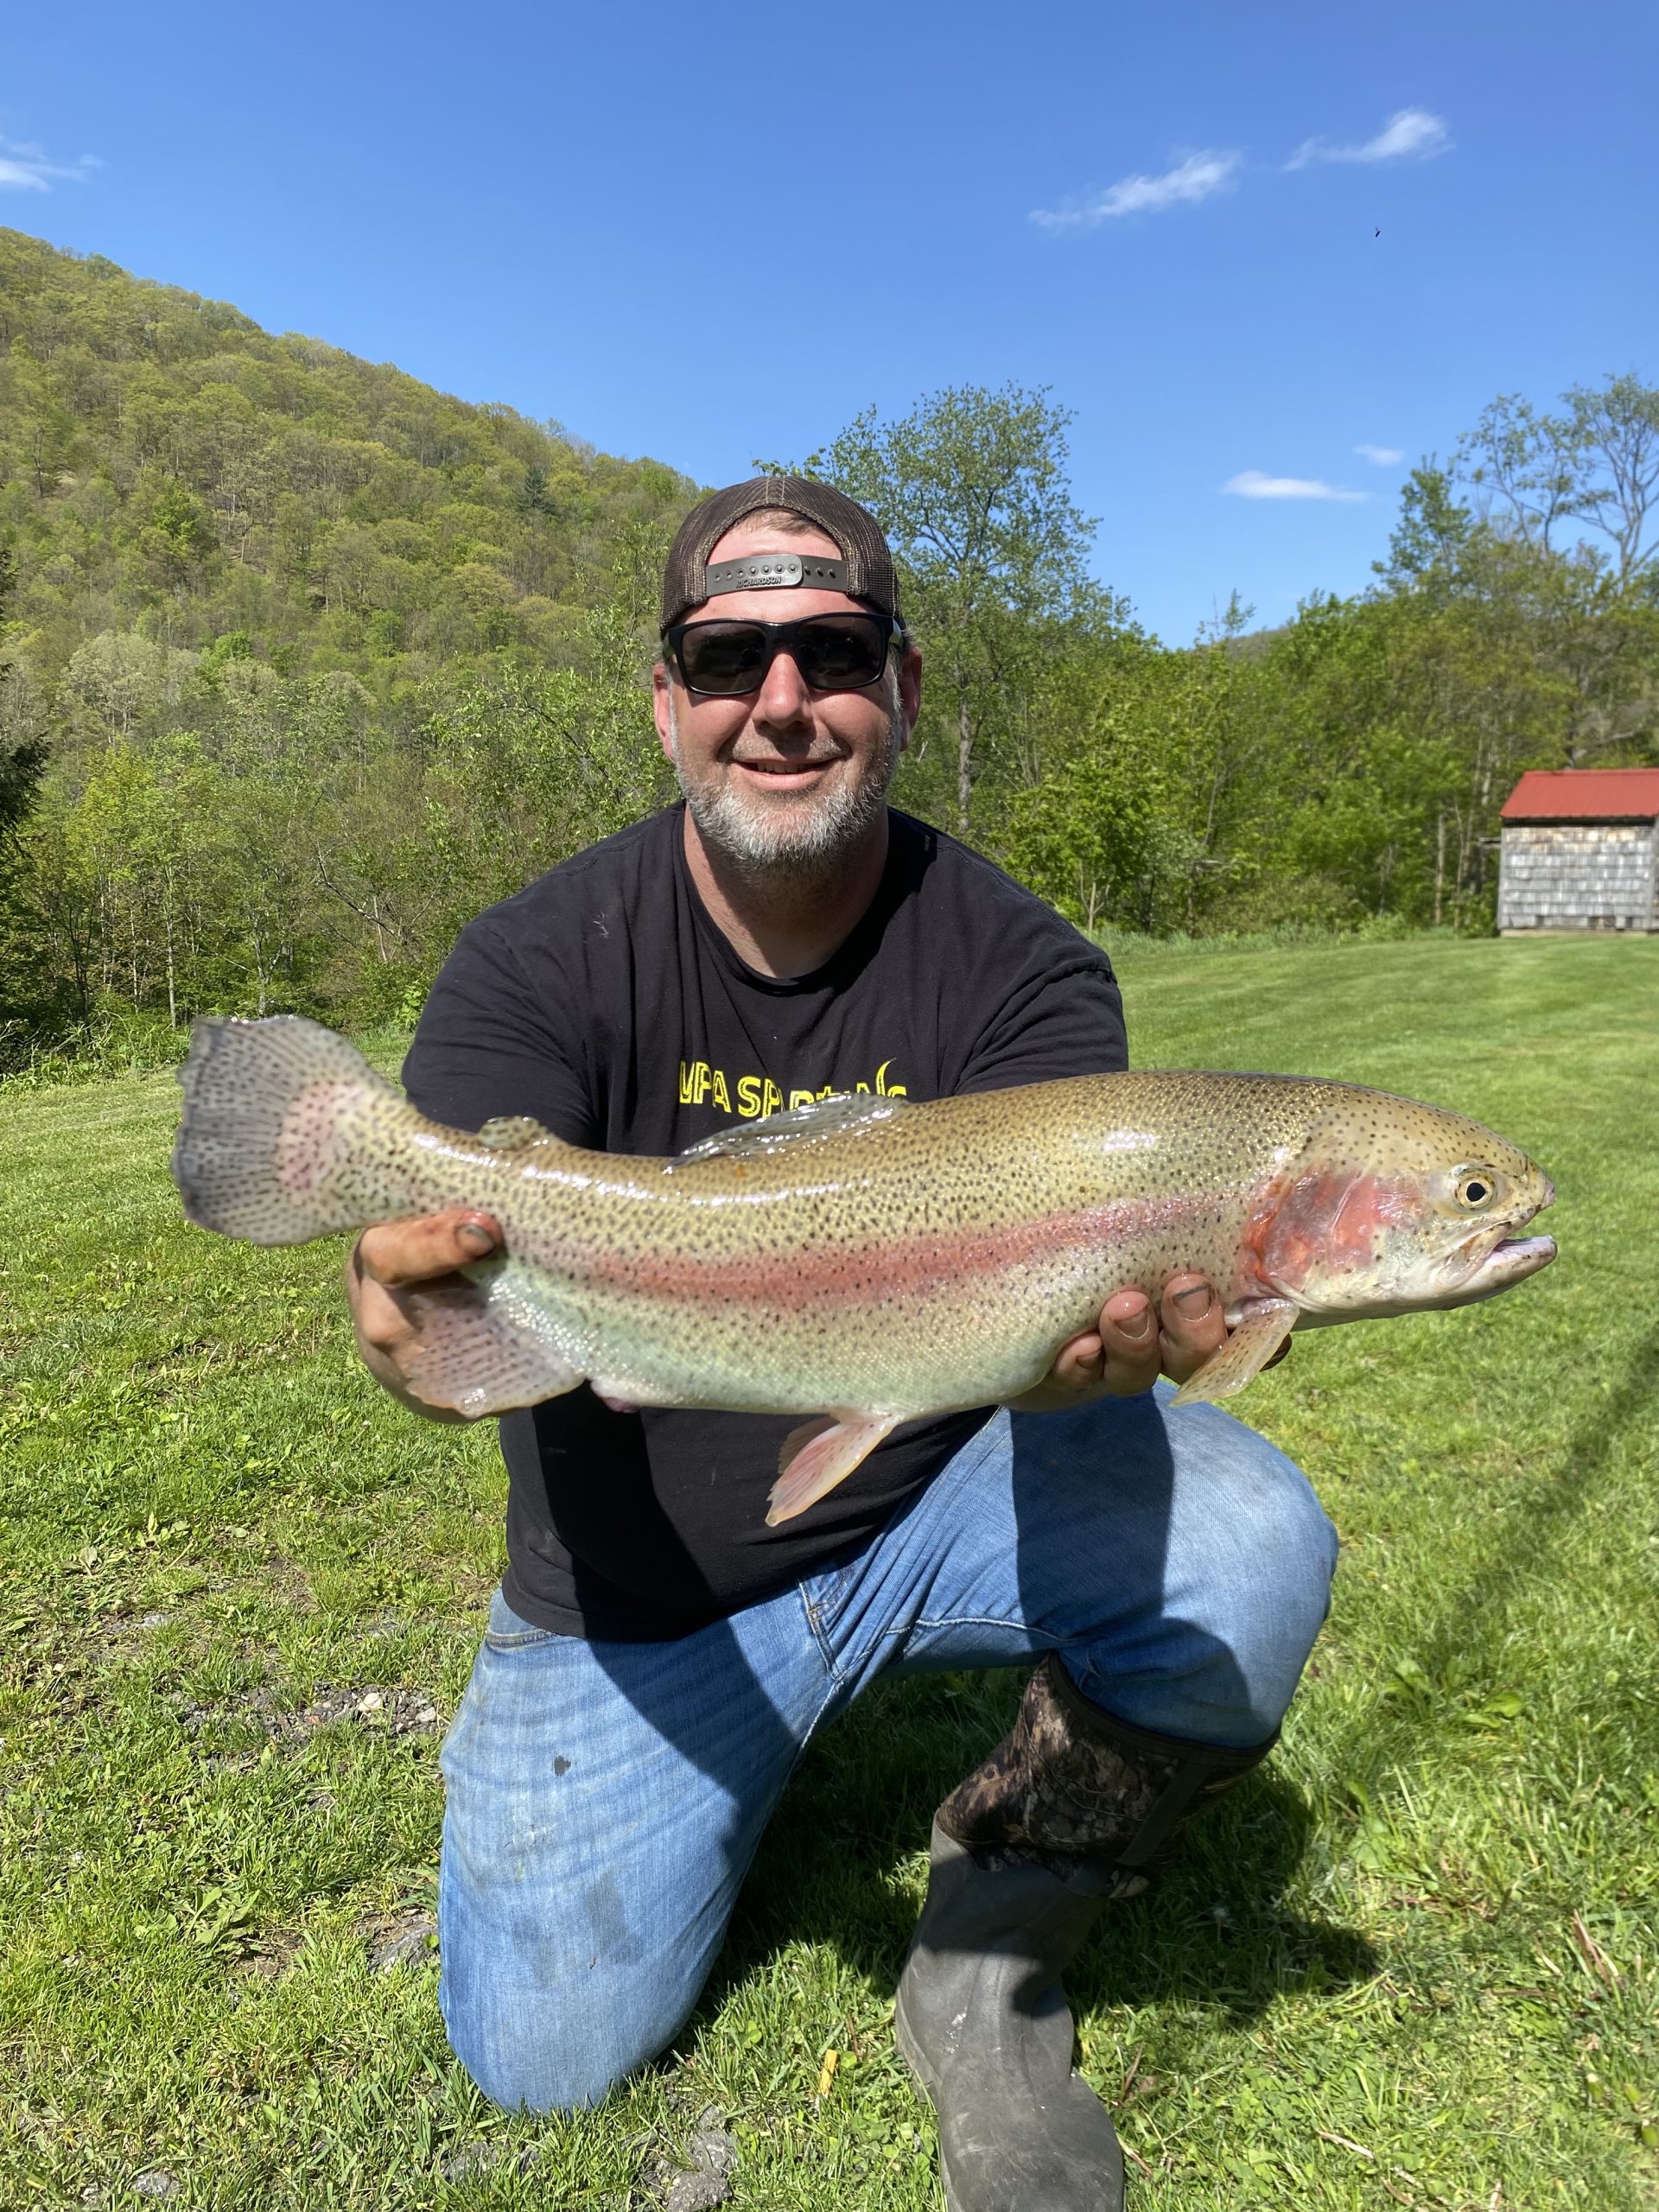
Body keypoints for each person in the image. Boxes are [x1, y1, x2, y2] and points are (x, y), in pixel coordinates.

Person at [345, 477, 1338, 2212]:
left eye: (834, 650)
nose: (784, 699)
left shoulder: (1028, 971)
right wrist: (407, 1321)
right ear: (666, 698)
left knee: (1252, 1538)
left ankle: (994, 1942)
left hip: (922, 1500)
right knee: (541, 2055)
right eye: (731, 655)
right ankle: (726, 1754)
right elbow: (444, 1322)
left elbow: (1052, 1332)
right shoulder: (535, 957)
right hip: (634, 1583)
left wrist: (1093, 1341)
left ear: (906, 684)